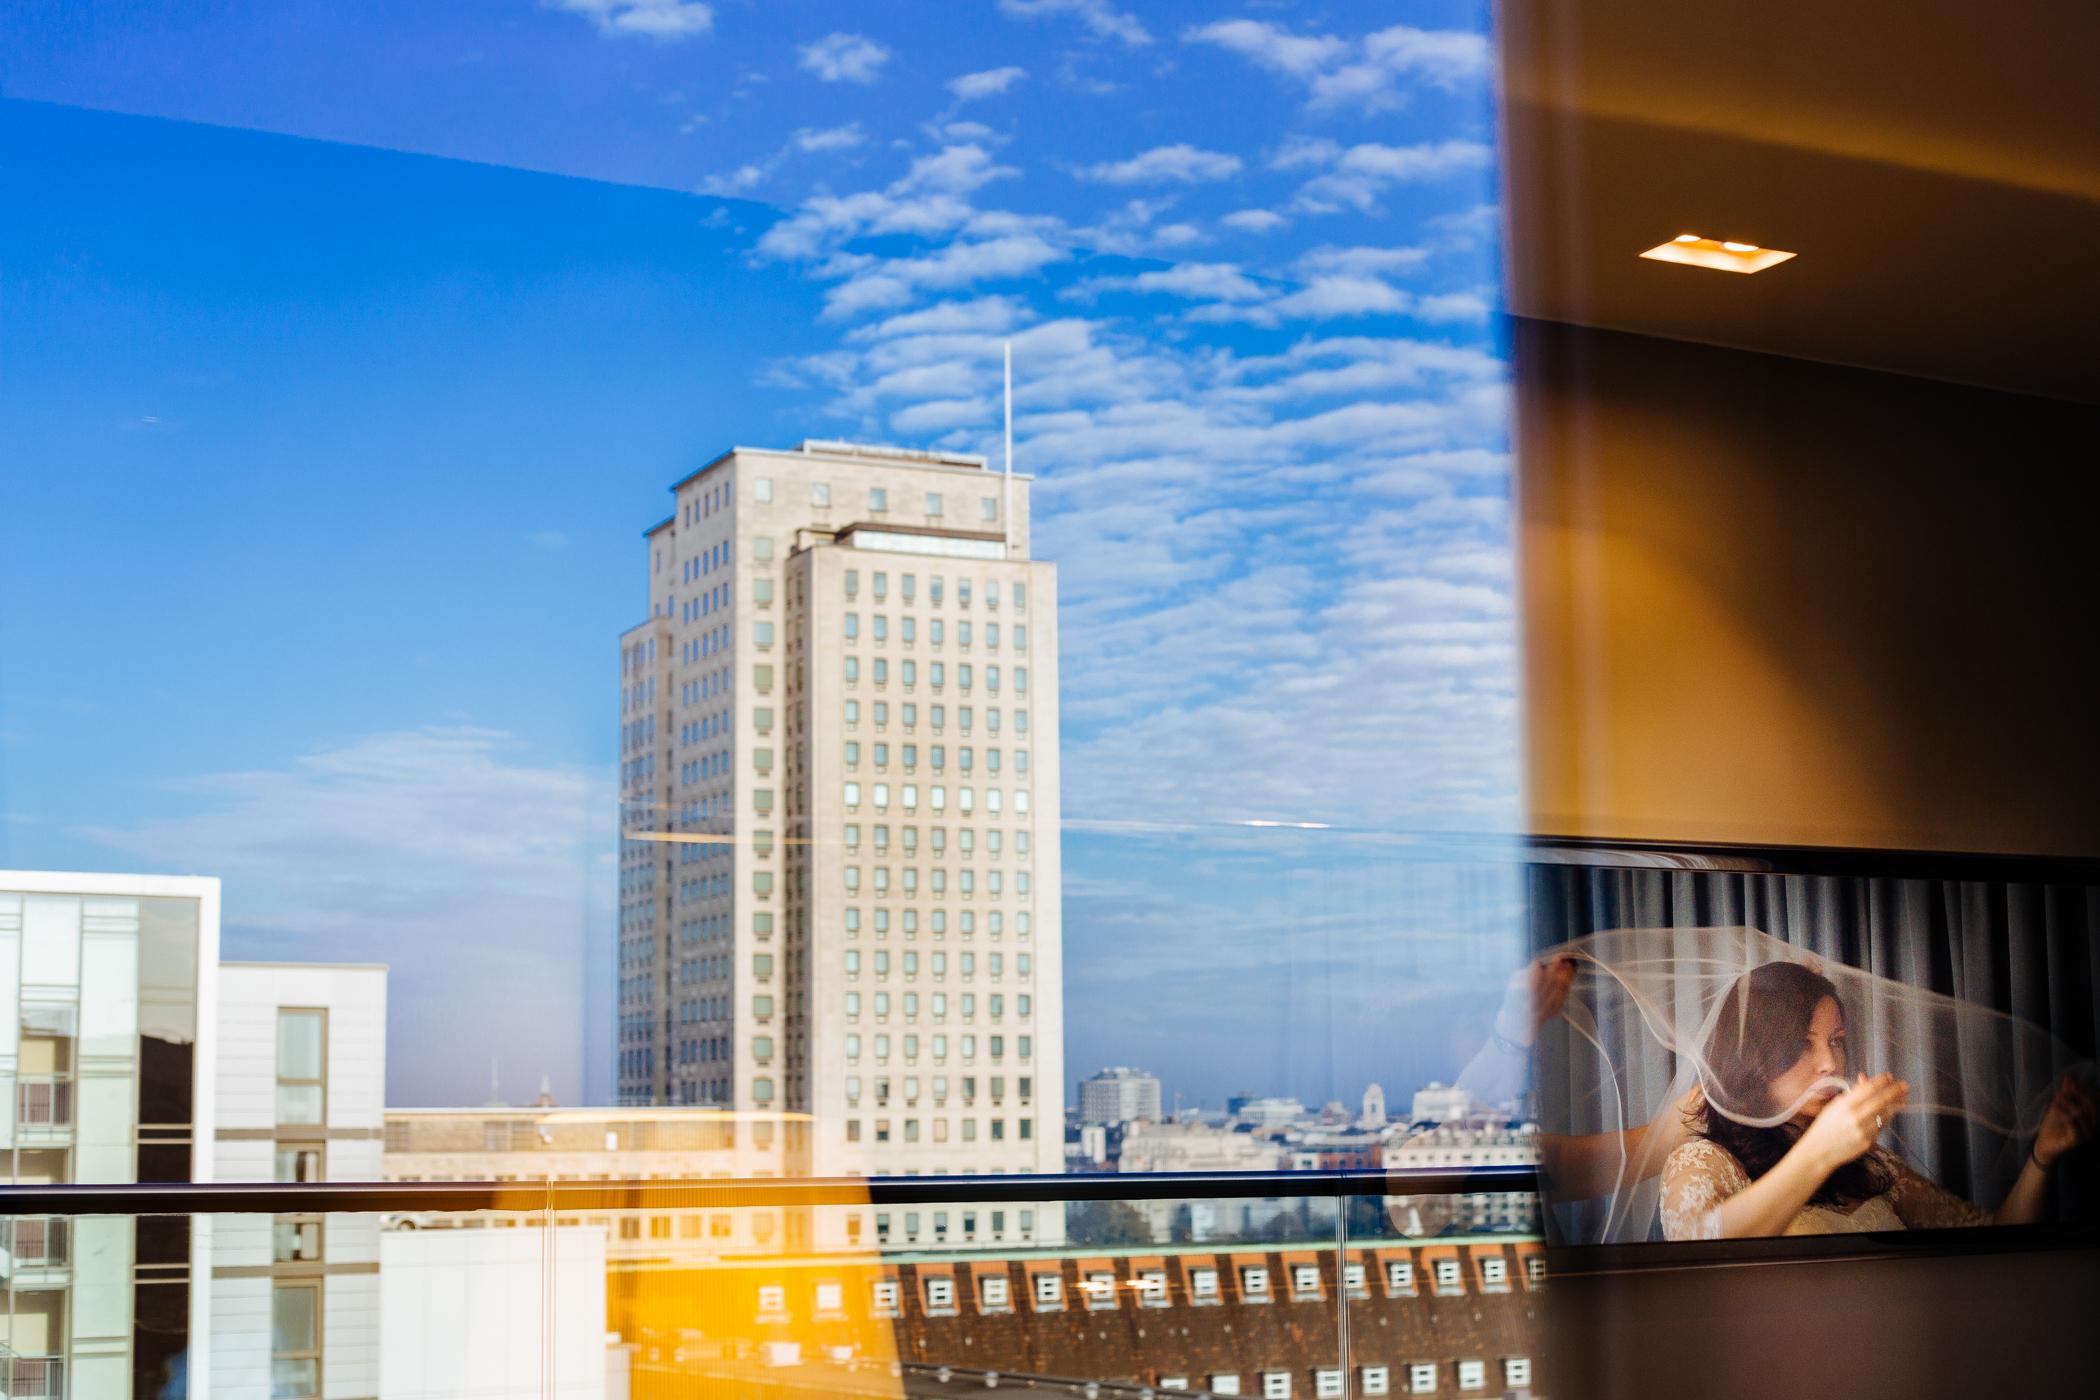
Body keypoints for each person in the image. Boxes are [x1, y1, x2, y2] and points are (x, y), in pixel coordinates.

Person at [1660, 961, 2097, 1239]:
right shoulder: (1704, 1162)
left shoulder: (1872, 1164)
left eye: (1837, 1041)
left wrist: (2042, 1158)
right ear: (1754, 1057)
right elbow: (1699, 1251)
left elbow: (1995, 1238)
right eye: (1802, 1044)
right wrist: (1820, 1151)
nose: (1830, 1063)